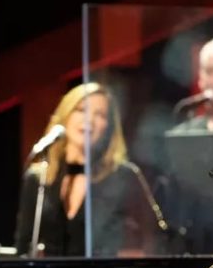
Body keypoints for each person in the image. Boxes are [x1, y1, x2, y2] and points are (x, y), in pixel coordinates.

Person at [14, 82, 166, 257]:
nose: (89, 120)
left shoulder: (124, 176)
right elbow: (23, 245)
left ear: (108, 127)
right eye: (81, 110)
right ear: (65, 116)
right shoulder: (38, 178)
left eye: (100, 114)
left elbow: (156, 237)